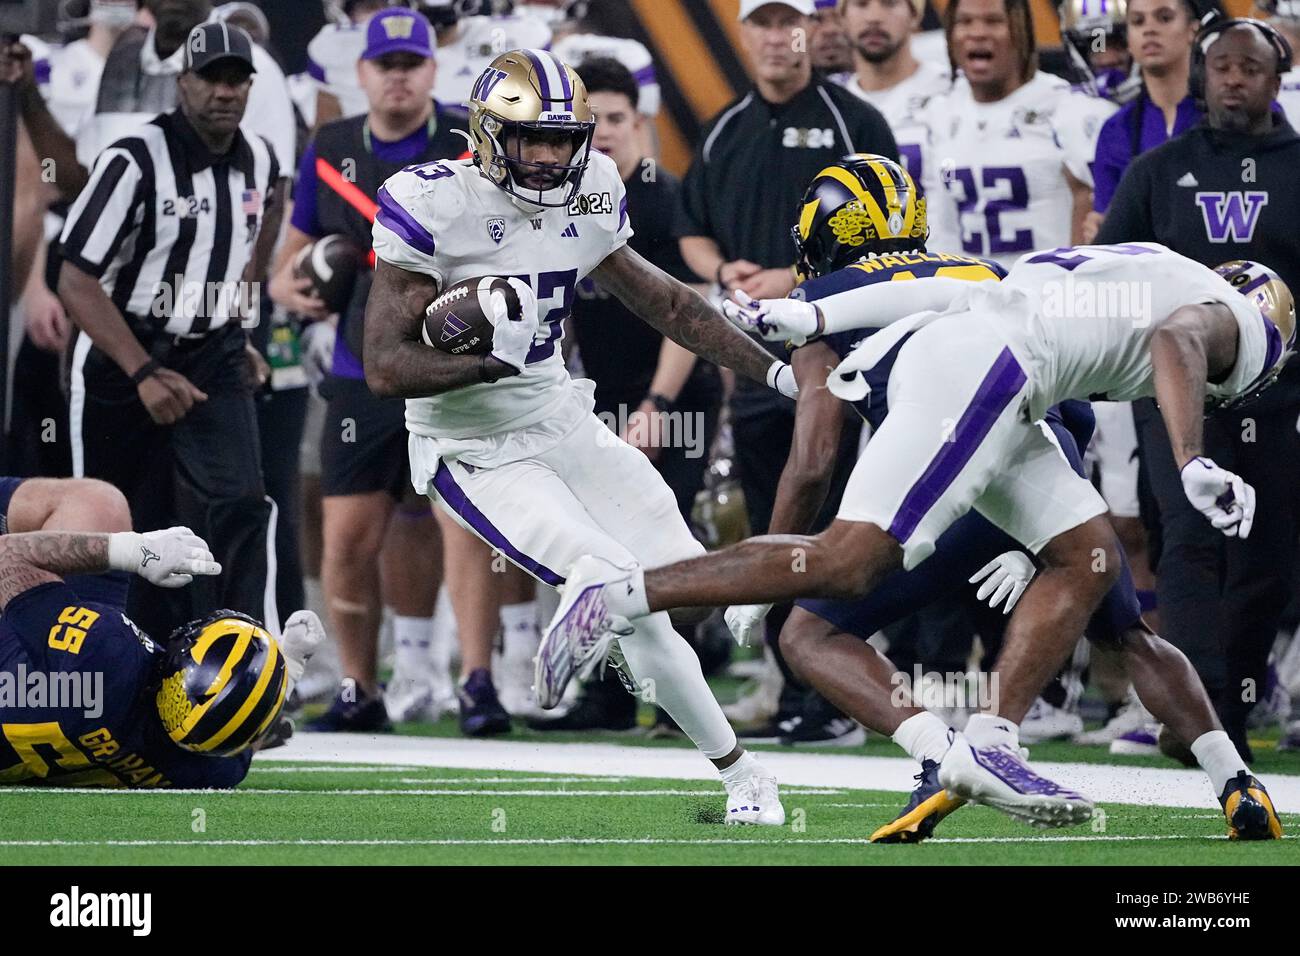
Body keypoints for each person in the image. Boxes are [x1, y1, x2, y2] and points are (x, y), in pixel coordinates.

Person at [541, 241, 1293, 841]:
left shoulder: (1142, 264)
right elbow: (1180, 338)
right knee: (848, 561)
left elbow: (962, 288)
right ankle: (616, 596)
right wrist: (1194, 459)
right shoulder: (1232, 316)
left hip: (984, 369)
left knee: (1086, 554)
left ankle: (992, 744)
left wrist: (812, 321)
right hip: (989, 372)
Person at [718, 155, 1276, 843]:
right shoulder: (976, 270)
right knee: (1127, 632)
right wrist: (1035, 536)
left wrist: (772, 570)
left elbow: (812, 462)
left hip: (952, 483)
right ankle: (1236, 784)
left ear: (821, 231)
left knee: (807, 630)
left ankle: (942, 759)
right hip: (1040, 469)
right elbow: (1061, 406)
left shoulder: (828, 301)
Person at [364, 48, 801, 824]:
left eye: (562, 140)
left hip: (562, 415)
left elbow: (668, 304)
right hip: (476, 448)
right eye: (530, 139)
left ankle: (743, 781)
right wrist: (487, 363)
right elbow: (385, 365)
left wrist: (777, 375)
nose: (547, 156)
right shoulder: (433, 201)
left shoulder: (595, 187)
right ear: (489, 133)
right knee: (605, 572)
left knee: (683, 576)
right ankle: (597, 636)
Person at [678, 0, 896, 745]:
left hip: (843, 353)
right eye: (763, 23)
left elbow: (897, 235)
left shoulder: (854, 122)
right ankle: (798, 685)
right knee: (776, 516)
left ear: (814, 30)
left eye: (789, 22)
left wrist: (788, 277)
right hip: (753, 360)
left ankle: (838, 693)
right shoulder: (722, 129)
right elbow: (689, 229)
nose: (777, 37)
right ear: (745, 35)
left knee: (836, 519)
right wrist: (724, 271)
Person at [1096, 17, 1300, 760]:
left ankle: (1235, 699)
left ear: (1278, 79)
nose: (1233, 79)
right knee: (1189, 543)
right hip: (1176, 393)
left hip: (1277, 398)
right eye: (1220, 67)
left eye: (1249, 67)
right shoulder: (1158, 169)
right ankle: (1200, 723)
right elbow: (1109, 272)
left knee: (1268, 559)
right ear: (1202, 73)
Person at [271, 7, 469, 734]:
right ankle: (359, 687)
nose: (397, 76)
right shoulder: (329, 145)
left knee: (438, 519)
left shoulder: (468, 141)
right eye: (385, 65)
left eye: (410, 63)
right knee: (348, 533)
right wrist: (292, 286)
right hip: (359, 364)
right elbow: (287, 261)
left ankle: (433, 672)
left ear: (431, 69)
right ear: (361, 74)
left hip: (453, 361)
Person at [58, 23, 282, 646]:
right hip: (120, 353)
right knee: (118, 521)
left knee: (240, 503)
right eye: (211, 77)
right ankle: (112, 672)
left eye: (236, 79)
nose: (224, 91)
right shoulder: (134, 160)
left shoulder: (261, 159)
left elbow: (254, 242)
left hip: (212, 353)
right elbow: (75, 278)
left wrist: (240, 328)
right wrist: (141, 372)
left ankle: (244, 666)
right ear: (182, 82)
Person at [528, 57, 723, 733]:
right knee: (602, 543)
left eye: (616, 118)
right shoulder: (562, 192)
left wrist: (659, 406)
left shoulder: (659, 195)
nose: (604, 131)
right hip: (602, 392)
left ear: (639, 122)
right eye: (593, 120)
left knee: (668, 538)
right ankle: (610, 696)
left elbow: (684, 310)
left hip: (674, 395)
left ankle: (684, 696)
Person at [0, 478, 324, 788]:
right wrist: (286, 669)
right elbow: (241, 738)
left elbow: (8, 556)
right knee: (102, 506)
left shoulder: (107, 652)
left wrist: (133, 550)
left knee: (96, 504)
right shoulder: (198, 768)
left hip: (44, 670)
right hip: (53, 709)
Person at [923, 0, 1116, 261]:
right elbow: (940, 226)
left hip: (1043, 291)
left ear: (1021, 31)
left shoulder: (1069, 109)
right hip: (964, 292)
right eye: (964, 22)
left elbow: (1096, 224)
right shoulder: (940, 113)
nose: (977, 33)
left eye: (993, 21)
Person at [1087, 0, 1201, 231]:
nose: (1149, 29)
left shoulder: (1237, 114)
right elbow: (1108, 225)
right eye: (1138, 21)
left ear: (1193, 30)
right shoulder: (1115, 130)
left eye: (1164, 18)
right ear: (1129, 40)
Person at [836, 0, 951, 183]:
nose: (874, 17)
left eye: (889, 3)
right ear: (842, 17)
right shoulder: (828, 104)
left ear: (915, 15)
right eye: (861, 4)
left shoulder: (950, 91)